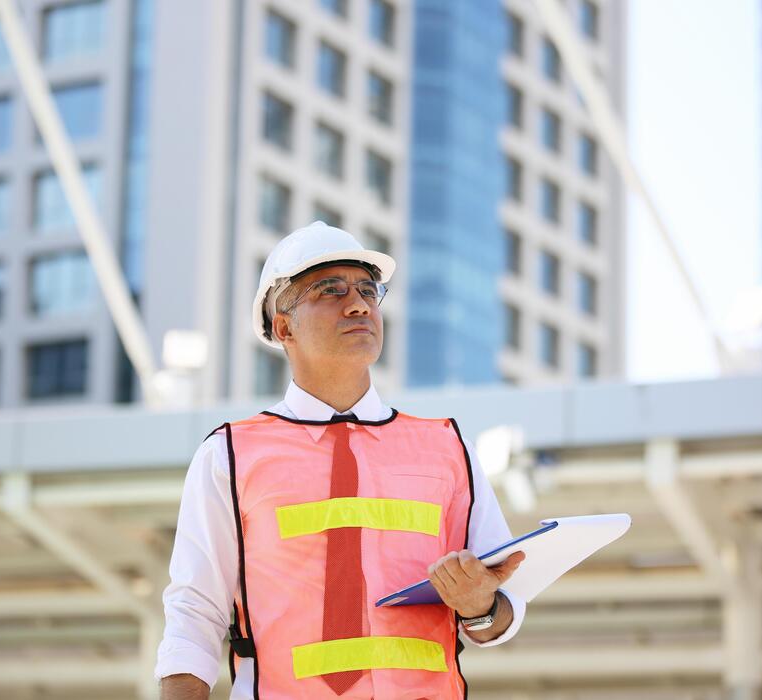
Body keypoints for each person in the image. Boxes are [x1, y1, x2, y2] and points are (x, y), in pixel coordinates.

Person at [155, 221, 526, 699]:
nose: (358, 305)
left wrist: (481, 606)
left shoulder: (448, 448)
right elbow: (194, 616)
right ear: (283, 326)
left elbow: (506, 608)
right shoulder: (228, 455)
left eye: (368, 290)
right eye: (330, 291)